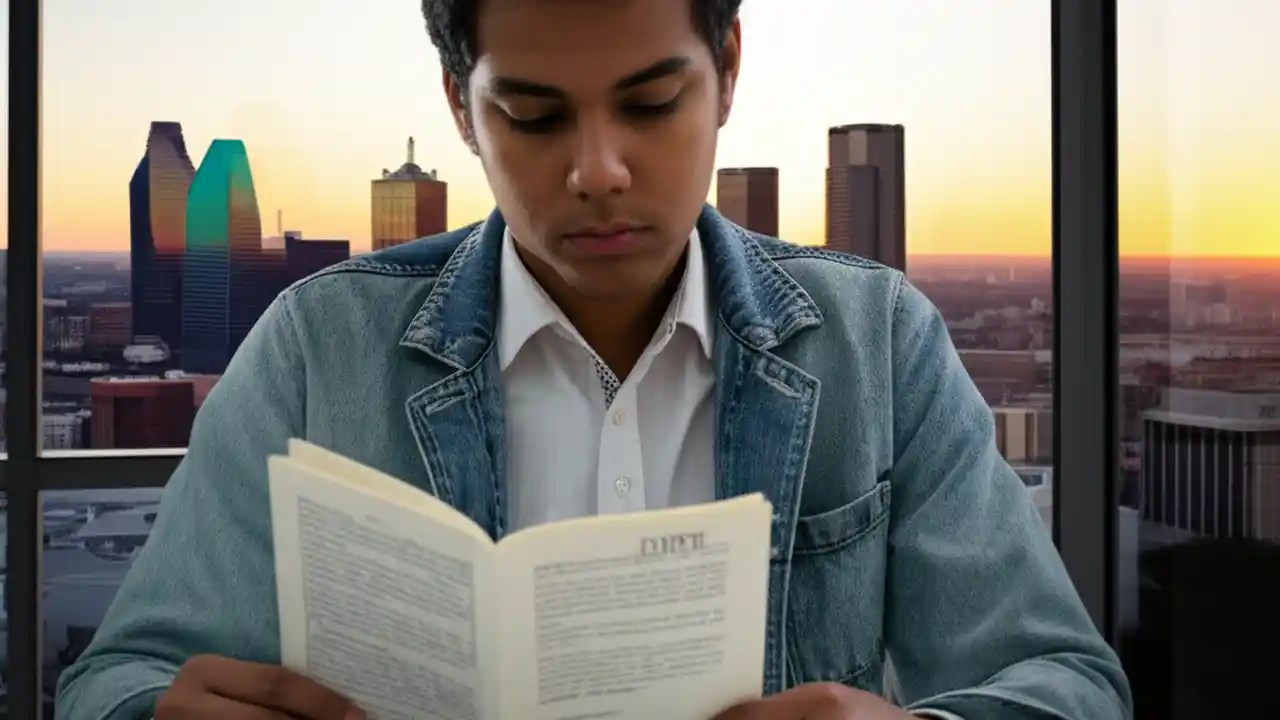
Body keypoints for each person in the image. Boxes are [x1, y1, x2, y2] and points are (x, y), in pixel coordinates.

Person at [56, 1, 1134, 718]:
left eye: (651, 105)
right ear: (458, 108)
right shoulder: (315, 348)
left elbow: (1068, 684)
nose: (599, 171)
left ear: (726, 69)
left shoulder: (877, 342)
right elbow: (116, 678)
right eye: (531, 117)